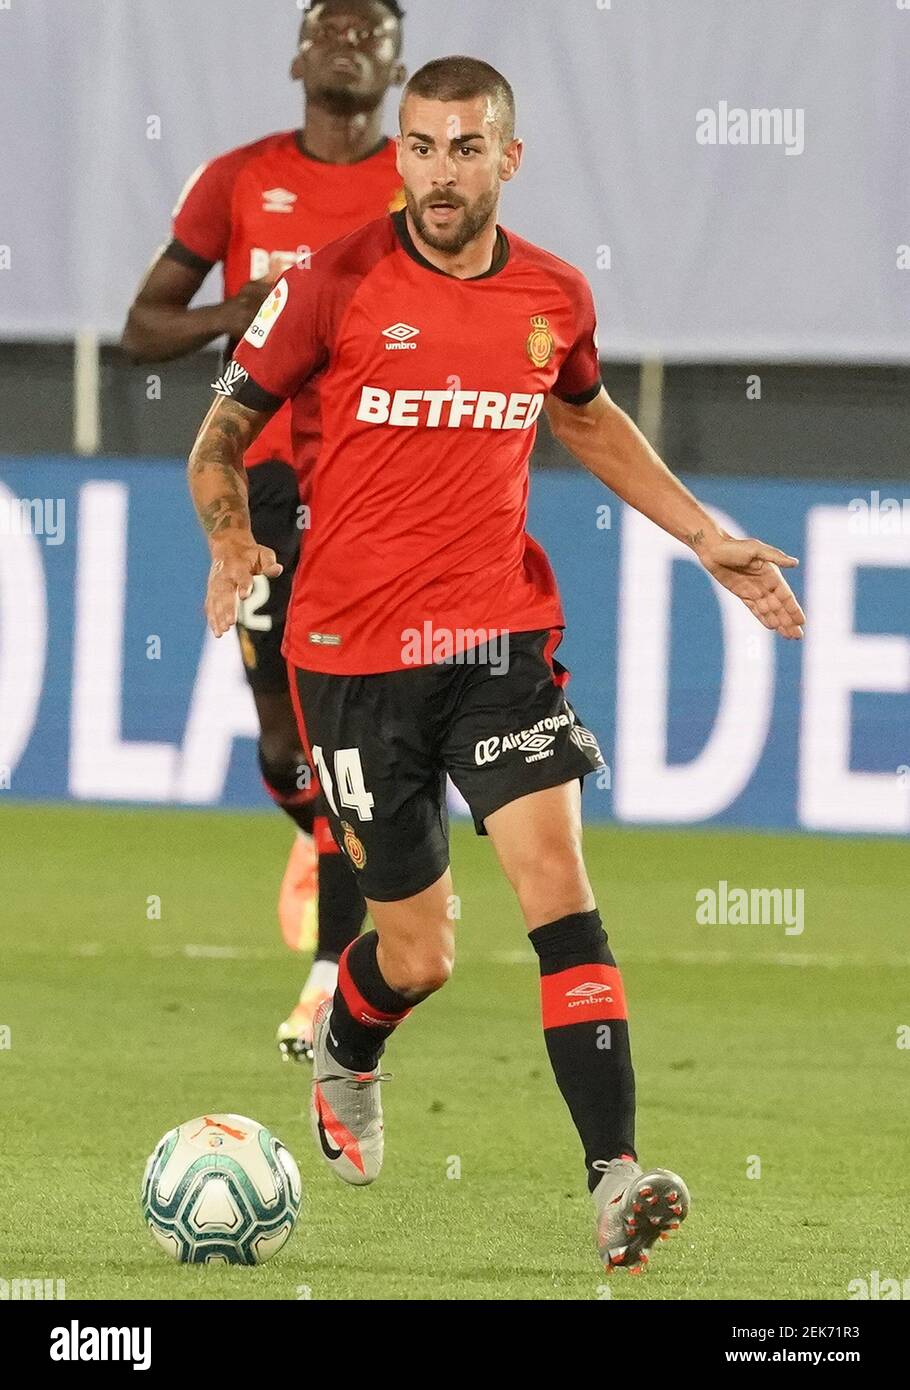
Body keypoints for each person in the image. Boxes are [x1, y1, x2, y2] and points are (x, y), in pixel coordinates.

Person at [185, 55, 806, 1273]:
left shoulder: (551, 296)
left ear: (506, 160)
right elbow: (221, 434)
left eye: (465, 149)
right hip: (351, 657)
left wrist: (704, 537)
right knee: (417, 952)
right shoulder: (328, 285)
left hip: (496, 638)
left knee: (556, 889)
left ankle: (614, 1180)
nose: (439, 172)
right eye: (420, 147)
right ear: (400, 156)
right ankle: (350, 1051)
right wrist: (232, 537)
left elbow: (580, 412)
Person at [122, 0, 409, 1061]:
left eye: (369, 26)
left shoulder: (414, 189)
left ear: (396, 63)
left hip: (372, 489)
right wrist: (230, 313)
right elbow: (141, 330)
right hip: (262, 485)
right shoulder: (239, 179)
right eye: (327, 23)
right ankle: (332, 854)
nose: (346, 36)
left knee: (343, 735)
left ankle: (334, 974)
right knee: (286, 742)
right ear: (297, 54)